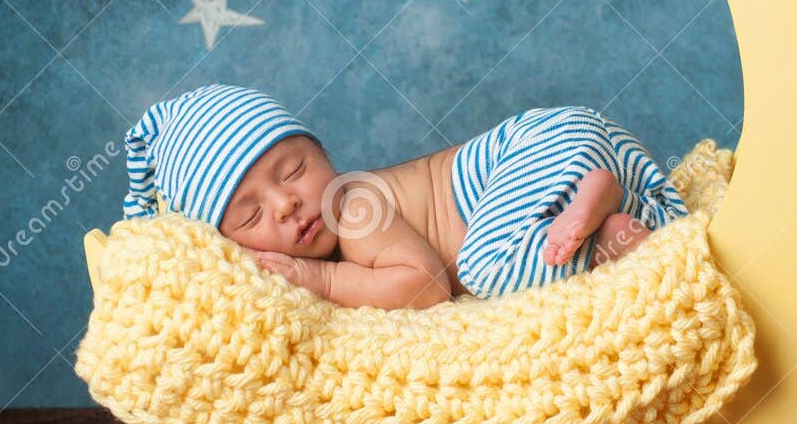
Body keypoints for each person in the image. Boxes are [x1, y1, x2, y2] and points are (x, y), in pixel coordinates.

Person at [122, 85, 688, 309]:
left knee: (485, 269)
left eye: (293, 169)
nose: (286, 204)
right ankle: (609, 220)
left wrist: (320, 280)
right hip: (562, 150)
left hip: (535, 151)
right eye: (250, 215)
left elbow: (426, 285)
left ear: (323, 154)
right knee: (654, 231)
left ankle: (594, 206)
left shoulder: (354, 208)